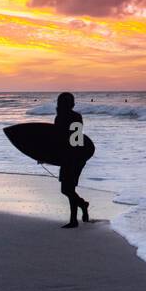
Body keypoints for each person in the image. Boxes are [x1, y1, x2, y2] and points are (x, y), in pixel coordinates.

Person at [54, 92, 91, 228]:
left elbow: (58, 140)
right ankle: (82, 205)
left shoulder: (59, 118)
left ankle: (74, 220)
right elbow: (77, 139)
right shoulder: (77, 116)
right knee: (68, 189)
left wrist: (47, 155)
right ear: (72, 104)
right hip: (77, 156)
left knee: (67, 189)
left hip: (70, 157)